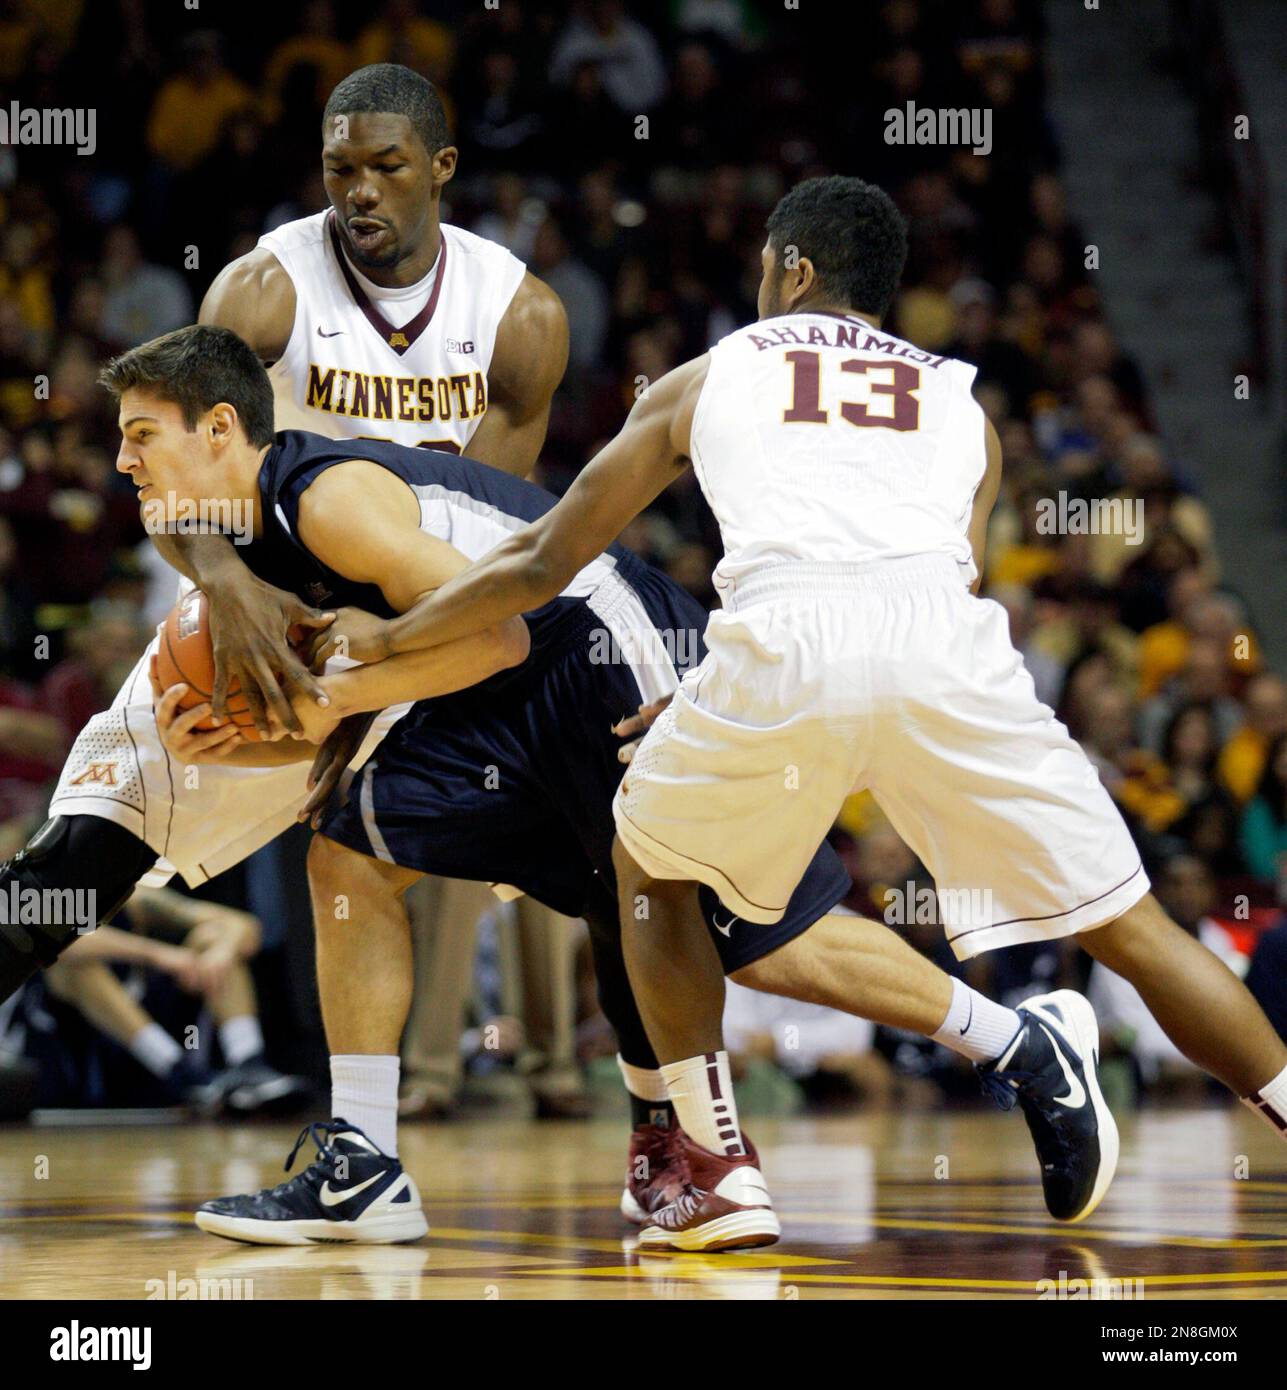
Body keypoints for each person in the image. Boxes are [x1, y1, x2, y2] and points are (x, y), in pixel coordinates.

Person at [327, 175, 1287, 1249]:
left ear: (791, 269)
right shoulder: (966, 401)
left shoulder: (712, 371)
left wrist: (394, 642)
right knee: (1135, 927)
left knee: (646, 865)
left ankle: (718, 1164)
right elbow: (945, 583)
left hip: (784, 647)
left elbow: (545, 557)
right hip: (944, 648)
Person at [101, 323, 1112, 1248]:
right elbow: (390, 679)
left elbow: (492, 631)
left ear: (223, 429)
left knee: (752, 940)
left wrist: (323, 707)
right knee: (348, 852)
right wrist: (256, 739)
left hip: (597, 649)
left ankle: (1021, 1041)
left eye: (143, 435)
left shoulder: (326, 499)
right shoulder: (229, 537)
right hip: (493, 695)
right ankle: (364, 1163)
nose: (122, 460)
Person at [0, 64, 582, 1117]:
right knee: (80, 852)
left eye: (386, 167)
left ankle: (678, 1121)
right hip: (268, 604)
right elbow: (169, 461)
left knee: (635, 854)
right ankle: (362, 1138)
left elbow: (500, 525)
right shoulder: (265, 289)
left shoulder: (520, 316)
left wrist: (393, 661)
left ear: (440, 170)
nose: (358, 190)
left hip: (427, 623)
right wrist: (224, 582)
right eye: (339, 167)